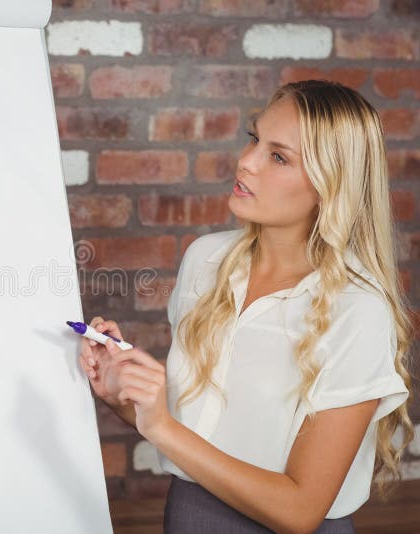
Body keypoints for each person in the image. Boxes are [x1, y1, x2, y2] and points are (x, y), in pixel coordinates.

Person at [81, 80, 413, 533]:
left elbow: (300, 512)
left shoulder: (358, 310)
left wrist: (161, 428)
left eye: (278, 157)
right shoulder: (206, 261)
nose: (246, 161)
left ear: (330, 186)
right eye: (254, 138)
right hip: (185, 517)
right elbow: (190, 434)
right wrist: (124, 393)